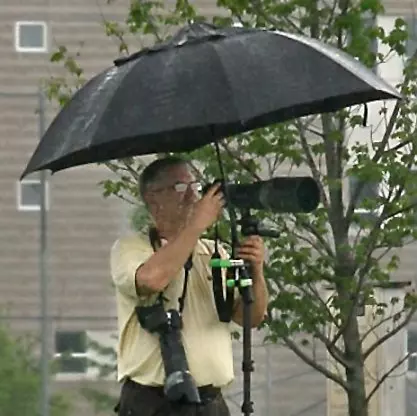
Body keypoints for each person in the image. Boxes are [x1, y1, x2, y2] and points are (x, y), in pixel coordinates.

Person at [110, 156, 268, 416]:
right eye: (181, 188)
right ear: (153, 199)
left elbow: (250, 317)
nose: (193, 196)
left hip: (210, 402)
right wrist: (197, 225)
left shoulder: (214, 252)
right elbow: (152, 279)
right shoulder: (130, 249)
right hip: (153, 402)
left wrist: (257, 271)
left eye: (194, 186)